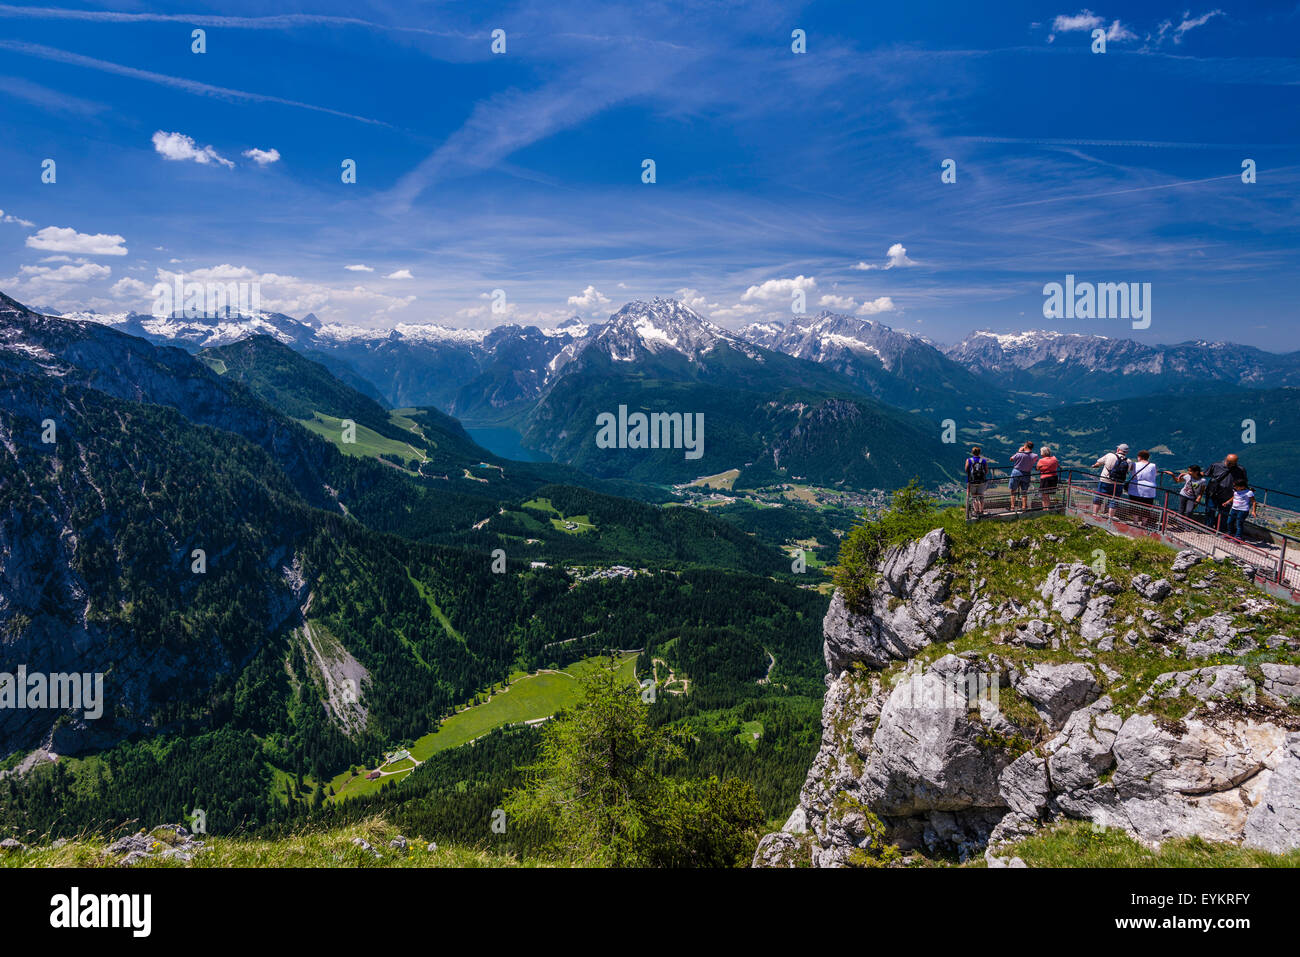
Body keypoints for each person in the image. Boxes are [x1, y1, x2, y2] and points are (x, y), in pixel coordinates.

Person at [1204, 454, 1247, 530]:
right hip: (1213, 493)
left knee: (1224, 513)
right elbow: (1206, 473)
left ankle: (1220, 529)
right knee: (1210, 510)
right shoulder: (1216, 466)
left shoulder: (1240, 470)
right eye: (1229, 462)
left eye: (1233, 463)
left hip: (1228, 495)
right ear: (1226, 459)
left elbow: (1244, 482)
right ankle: (1208, 527)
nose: (1230, 464)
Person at [1092, 443, 1131, 518]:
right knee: (1114, 500)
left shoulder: (1110, 455)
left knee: (1099, 496)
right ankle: (1110, 518)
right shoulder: (1129, 461)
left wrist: (1094, 466)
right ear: (1126, 452)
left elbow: (1099, 463)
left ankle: (1095, 514)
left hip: (1105, 480)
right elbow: (1127, 471)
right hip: (1118, 483)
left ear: (1118, 449)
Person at [1127, 450, 1159, 526]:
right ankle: (1144, 523)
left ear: (1139, 457)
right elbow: (1155, 474)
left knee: (1134, 505)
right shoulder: (1153, 465)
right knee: (1147, 507)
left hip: (1135, 488)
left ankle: (1135, 522)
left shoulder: (1134, 464)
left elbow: (1129, 470)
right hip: (1149, 490)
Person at [1008, 441, 1038, 511]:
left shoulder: (1019, 454)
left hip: (1016, 473)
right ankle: (1024, 507)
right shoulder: (1035, 456)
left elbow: (1011, 459)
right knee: (1024, 491)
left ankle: (1012, 507)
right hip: (1026, 474)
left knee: (1013, 490)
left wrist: (1019, 452)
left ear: (1026, 446)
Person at [965, 445, 991, 518]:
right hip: (982, 482)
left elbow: (966, 470)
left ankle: (976, 512)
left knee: (974, 497)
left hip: (972, 481)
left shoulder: (969, 460)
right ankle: (981, 511)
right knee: (981, 496)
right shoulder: (983, 461)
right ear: (979, 453)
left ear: (972, 452)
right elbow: (986, 471)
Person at [1036, 445, 1059, 510]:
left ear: (1043, 453)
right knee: (1047, 494)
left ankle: (1045, 509)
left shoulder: (1041, 460)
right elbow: (1057, 465)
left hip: (1045, 478)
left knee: (1044, 495)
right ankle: (1047, 508)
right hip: (1054, 477)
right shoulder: (1054, 459)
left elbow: (1037, 468)